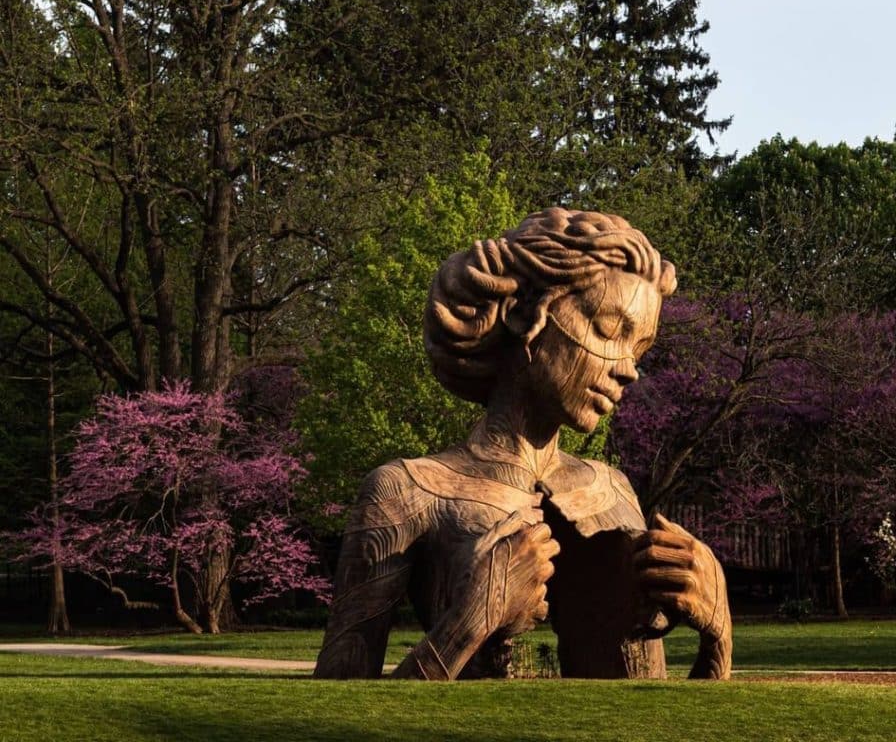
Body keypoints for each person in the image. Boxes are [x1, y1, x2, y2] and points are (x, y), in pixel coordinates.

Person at [313, 208, 731, 680]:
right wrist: (468, 624)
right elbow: (337, 701)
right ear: (523, 314)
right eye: (611, 330)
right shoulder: (406, 492)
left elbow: (661, 720)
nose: (628, 367)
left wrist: (718, 634)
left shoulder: (612, 491)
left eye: (639, 349)